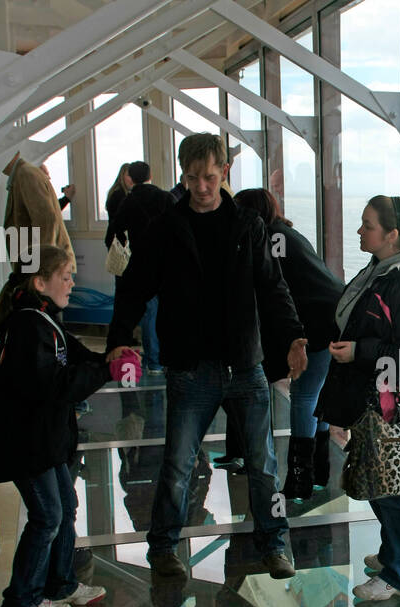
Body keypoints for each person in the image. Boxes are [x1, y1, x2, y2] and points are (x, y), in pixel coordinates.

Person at [105, 132, 309, 580]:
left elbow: (272, 288)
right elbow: (134, 287)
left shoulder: (249, 226)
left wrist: (294, 337)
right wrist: (119, 337)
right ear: (183, 173)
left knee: (263, 468)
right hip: (189, 370)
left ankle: (275, 545)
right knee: (177, 464)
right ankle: (162, 547)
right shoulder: (164, 229)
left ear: (225, 173)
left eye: (210, 177)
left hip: (245, 366)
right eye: (193, 178)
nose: (201, 186)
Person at [316, 195, 400, 601]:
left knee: (394, 489)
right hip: (378, 398)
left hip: (397, 404)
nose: (360, 231)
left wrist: (360, 351)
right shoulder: (384, 271)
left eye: (367, 225)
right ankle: (395, 555)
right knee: (383, 482)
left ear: (392, 235)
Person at [0, 247, 111, 607]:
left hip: (48, 441)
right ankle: (20, 600)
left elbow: (75, 354)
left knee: (65, 508)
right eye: (65, 276)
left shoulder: (45, 320)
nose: (72, 283)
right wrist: (105, 373)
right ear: (40, 282)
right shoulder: (28, 327)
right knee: (47, 517)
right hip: (30, 444)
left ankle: (60, 583)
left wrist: (108, 359)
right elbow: (55, 386)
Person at [221, 187, 344, 500]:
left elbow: (271, 289)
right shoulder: (286, 233)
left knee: (304, 396)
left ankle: (300, 479)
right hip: (334, 318)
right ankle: (318, 473)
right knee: (317, 397)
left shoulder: (271, 238)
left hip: (318, 323)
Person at [109, 161, 170, 375]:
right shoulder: (165, 197)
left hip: (138, 265)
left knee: (143, 314)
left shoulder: (129, 201)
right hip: (164, 265)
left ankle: (147, 362)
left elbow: (114, 232)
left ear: (131, 178)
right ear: (150, 174)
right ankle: (159, 360)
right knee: (159, 312)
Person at [2, 152, 74, 270]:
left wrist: (42, 267)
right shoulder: (21, 175)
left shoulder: (25, 174)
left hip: (47, 269)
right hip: (38, 266)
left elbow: (46, 221)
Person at [103, 163, 133, 248]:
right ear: (122, 176)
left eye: (132, 176)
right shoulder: (119, 195)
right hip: (117, 241)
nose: (131, 179)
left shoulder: (120, 193)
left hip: (115, 239)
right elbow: (119, 221)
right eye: (128, 175)